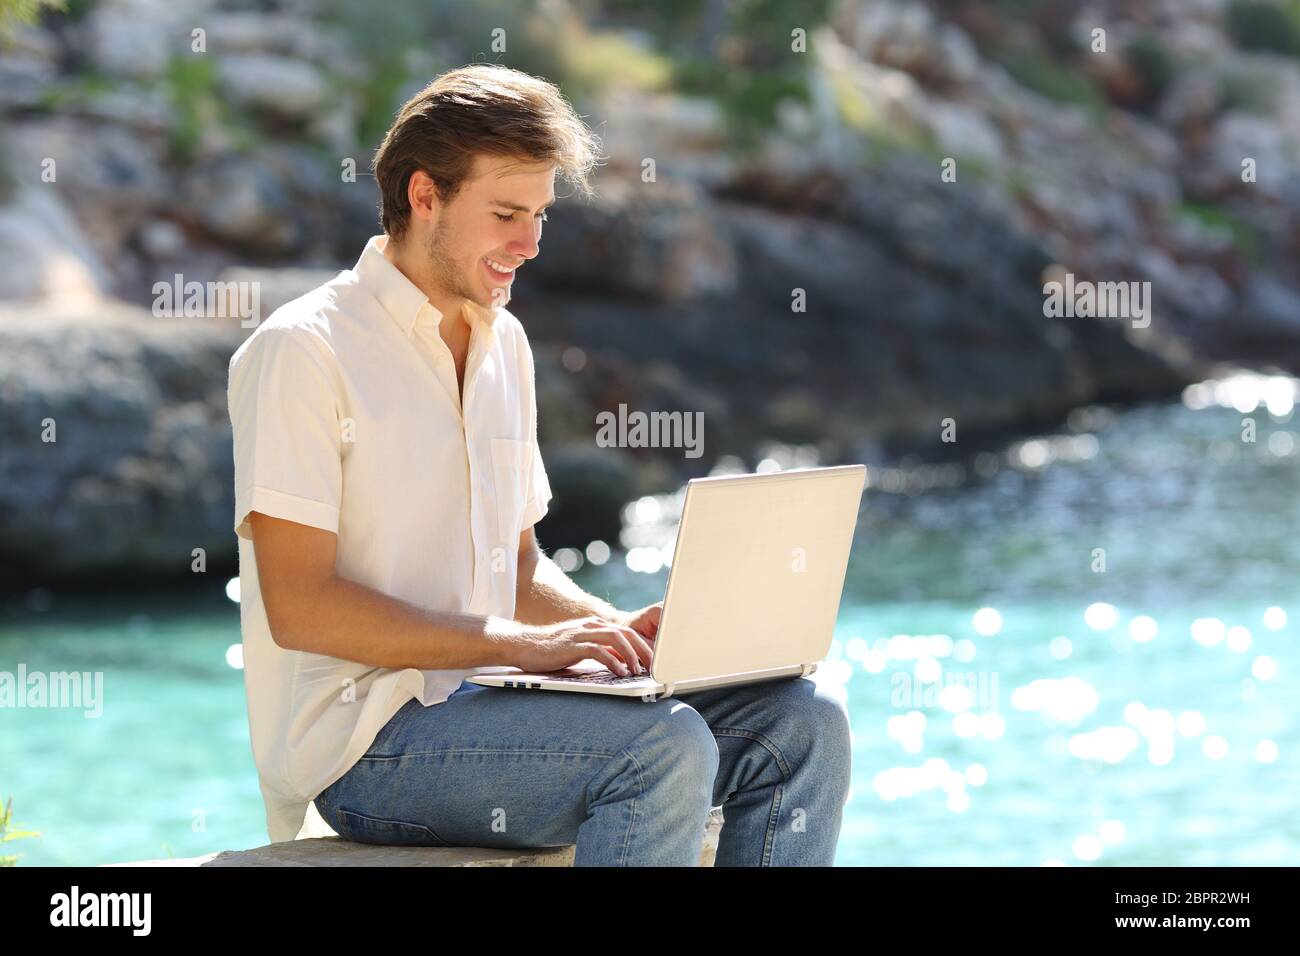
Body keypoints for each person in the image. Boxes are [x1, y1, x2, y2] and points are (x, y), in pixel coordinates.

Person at [227, 63, 851, 866]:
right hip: (363, 747)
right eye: (506, 214)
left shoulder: (504, 345)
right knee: (659, 749)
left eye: (540, 215)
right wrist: (527, 648)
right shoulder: (303, 351)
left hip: (497, 707)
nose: (529, 244)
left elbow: (515, 570)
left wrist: (613, 631)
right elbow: (302, 607)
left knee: (803, 724)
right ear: (425, 198)